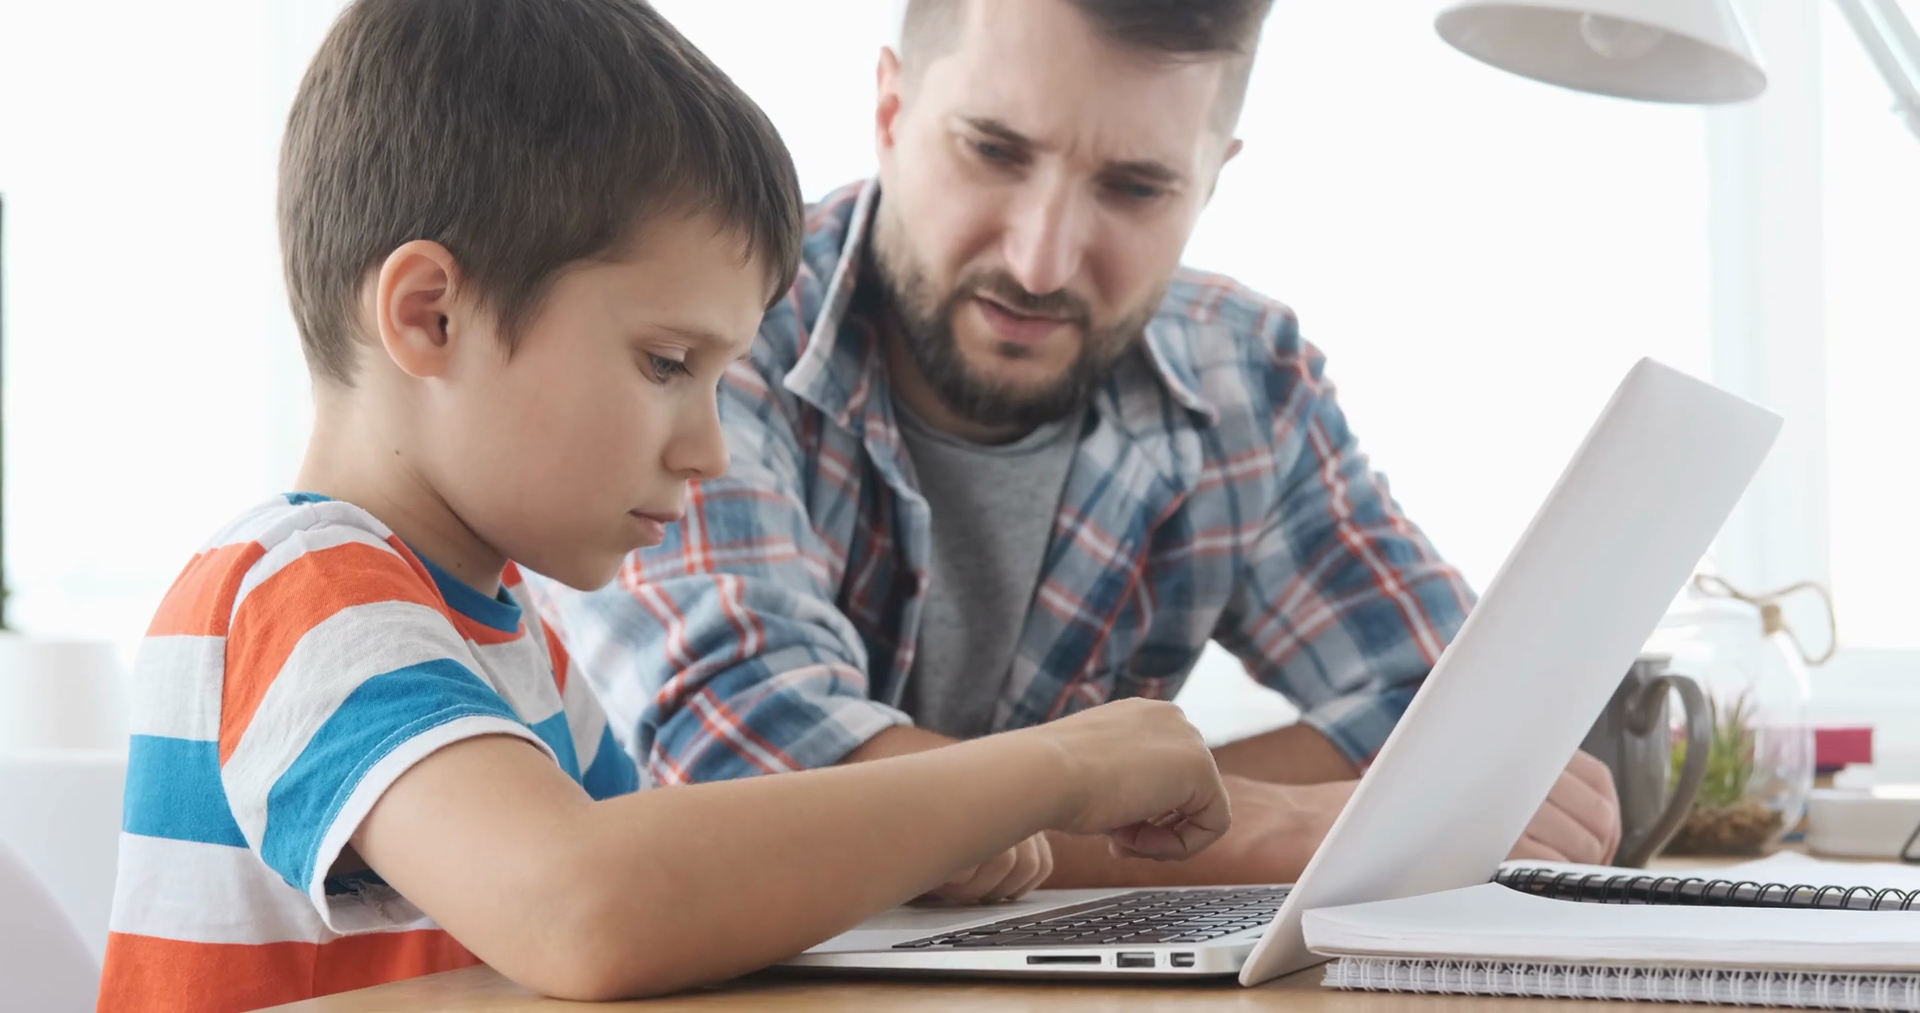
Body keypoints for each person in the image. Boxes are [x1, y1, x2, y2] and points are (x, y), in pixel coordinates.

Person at [93, 2, 1231, 1009]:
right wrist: (1053, 768)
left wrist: (905, 847)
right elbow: (585, 905)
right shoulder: (305, 594)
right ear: (431, 315)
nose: (708, 447)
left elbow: (679, 903)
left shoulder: (511, 642)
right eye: (666, 362)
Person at [536, 0, 1623, 904]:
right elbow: (751, 773)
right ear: (890, 107)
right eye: (994, 152)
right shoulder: (710, 341)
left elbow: (1449, 723)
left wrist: (1087, 804)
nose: (1043, 258)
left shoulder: (1248, 371)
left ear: (1213, 180)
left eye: (1135, 187)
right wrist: (1278, 823)